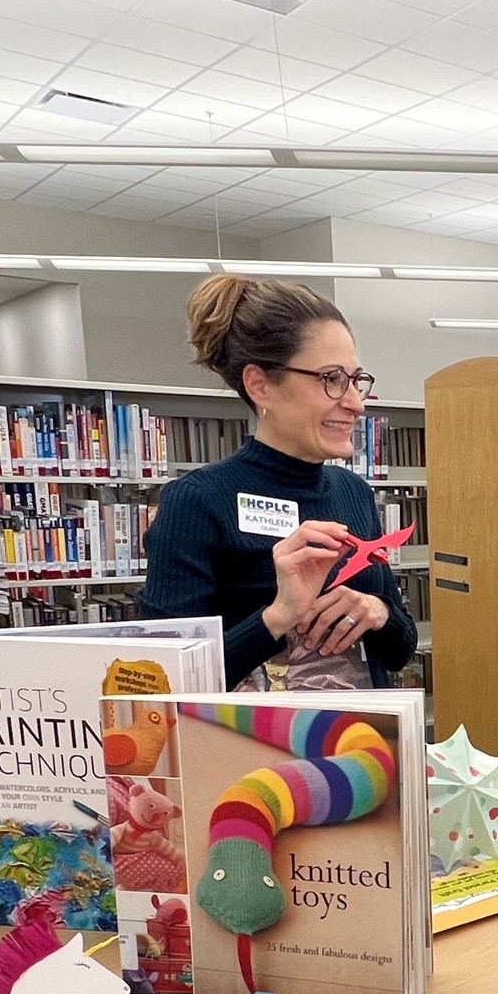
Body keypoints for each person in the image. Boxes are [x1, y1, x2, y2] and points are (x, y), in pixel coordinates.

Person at [138, 276, 418, 692]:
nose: (355, 403)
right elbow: (159, 681)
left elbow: (398, 652)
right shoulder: (198, 500)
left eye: (355, 379)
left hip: (360, 732)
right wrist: (279, 615)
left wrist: (377, 611)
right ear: (261, 385)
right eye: (331, 379)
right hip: (252, 735)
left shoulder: (352, 492)